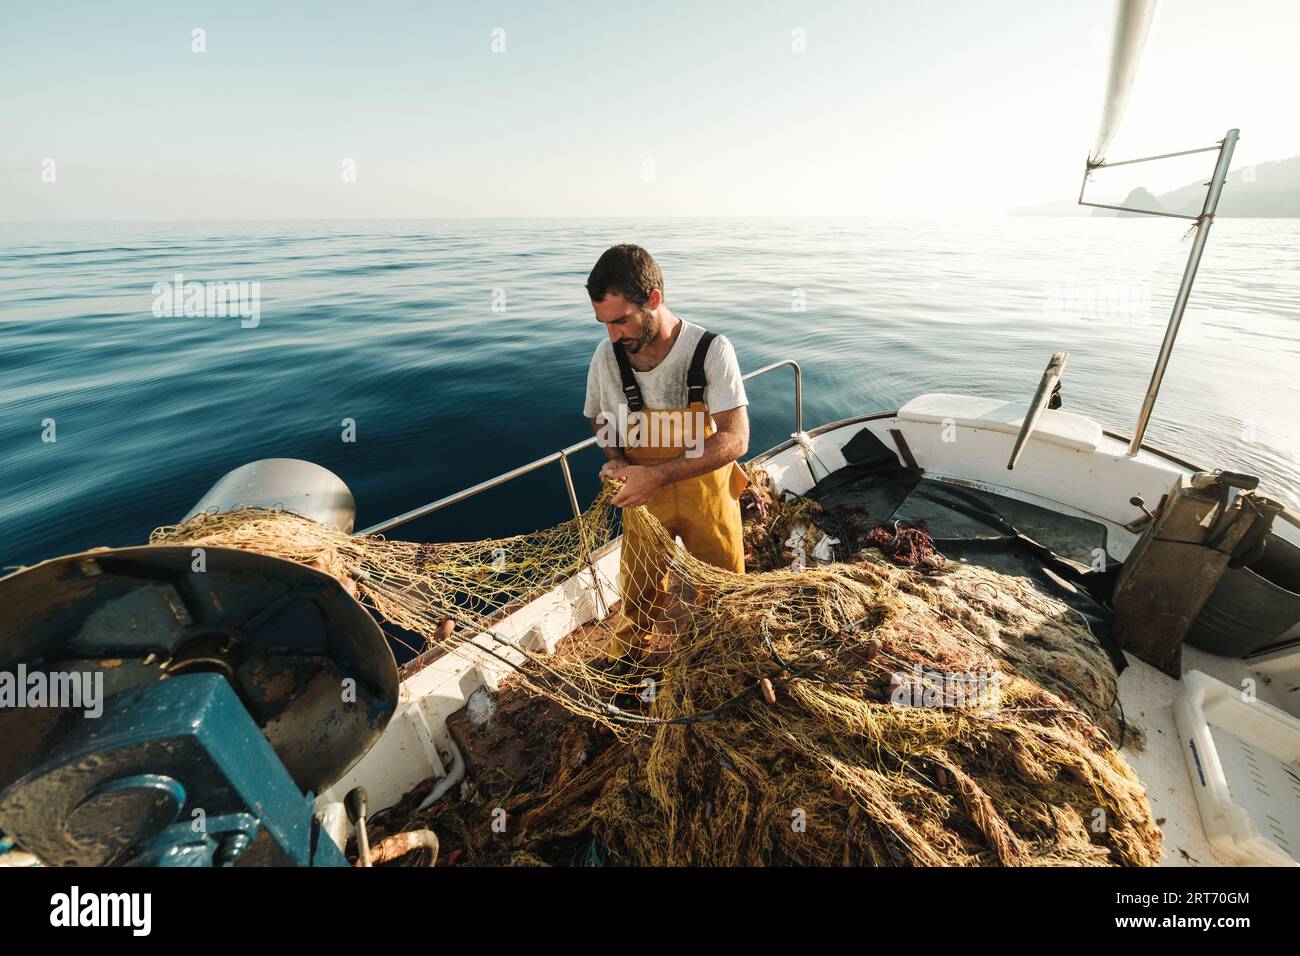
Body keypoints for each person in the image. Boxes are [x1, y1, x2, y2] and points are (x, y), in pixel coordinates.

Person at [582, 244, 749, 666]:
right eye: (604, 323)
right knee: (637, 593)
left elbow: (735, 439)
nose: (613, 335)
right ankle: (626, 669)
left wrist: (659, 475)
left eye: (621, 320)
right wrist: (617, 456)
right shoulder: (607, 356)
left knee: (723, 592)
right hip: (644, 499)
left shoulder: (711, 350)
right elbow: (599, 418)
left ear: (654, 299)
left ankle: (723, 664)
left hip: (707, 497)